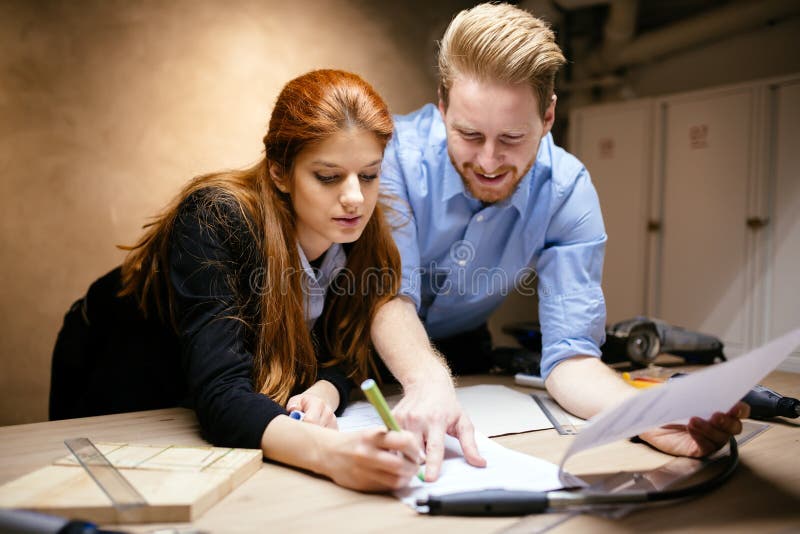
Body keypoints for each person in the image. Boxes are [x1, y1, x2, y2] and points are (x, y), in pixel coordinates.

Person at [372, 2, 749, 480]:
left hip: (461, 351)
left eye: (512, 137)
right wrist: (427, 381)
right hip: (360, 342)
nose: (489, 161)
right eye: (468, 134)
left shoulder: (567, 190)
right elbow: (389, 296)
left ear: (548, 117)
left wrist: (645, 414)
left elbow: (571, 355)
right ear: (443, 107)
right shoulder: (390, 159)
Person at [51, 69, 423, 492]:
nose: (356, 197)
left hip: (219, 408)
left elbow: (349, 350)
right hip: (126, 372)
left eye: (370, 175)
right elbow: (221, 396)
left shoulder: (360, 232)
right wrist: (331, 454)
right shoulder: (214, 219)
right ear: (280, 172)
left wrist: (323, 392)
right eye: (327, 176)